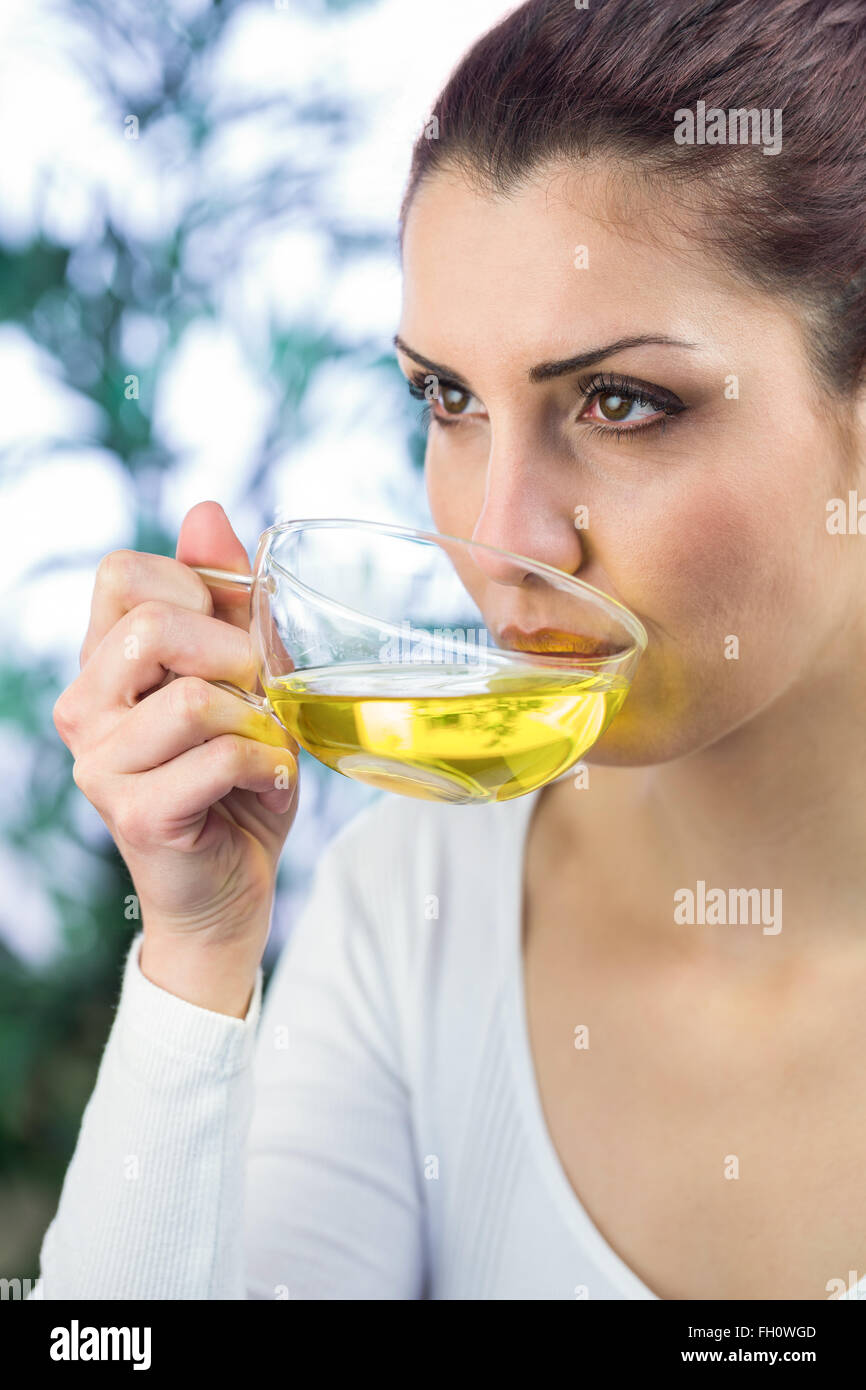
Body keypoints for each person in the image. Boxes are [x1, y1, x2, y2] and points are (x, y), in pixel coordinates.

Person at [32, 0, 866, 1300]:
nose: (496, 539)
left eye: (621, 402)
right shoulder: (415, 906)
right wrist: (196, 955)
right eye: (449, 398)